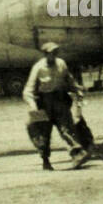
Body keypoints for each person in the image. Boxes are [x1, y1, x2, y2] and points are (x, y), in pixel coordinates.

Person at [22, 42, 86, 170]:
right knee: (42, 133)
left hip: (59, 100)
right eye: (51, 53)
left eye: (55, 52)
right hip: (43, 103)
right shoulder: (38, 68)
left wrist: (77, 89)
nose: (54, 55)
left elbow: (69, 79)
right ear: (46, 54)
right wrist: (32, 105)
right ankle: (45, 161)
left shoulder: (61, 63)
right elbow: (28, 90)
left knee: (67, 128)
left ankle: (77, 156)